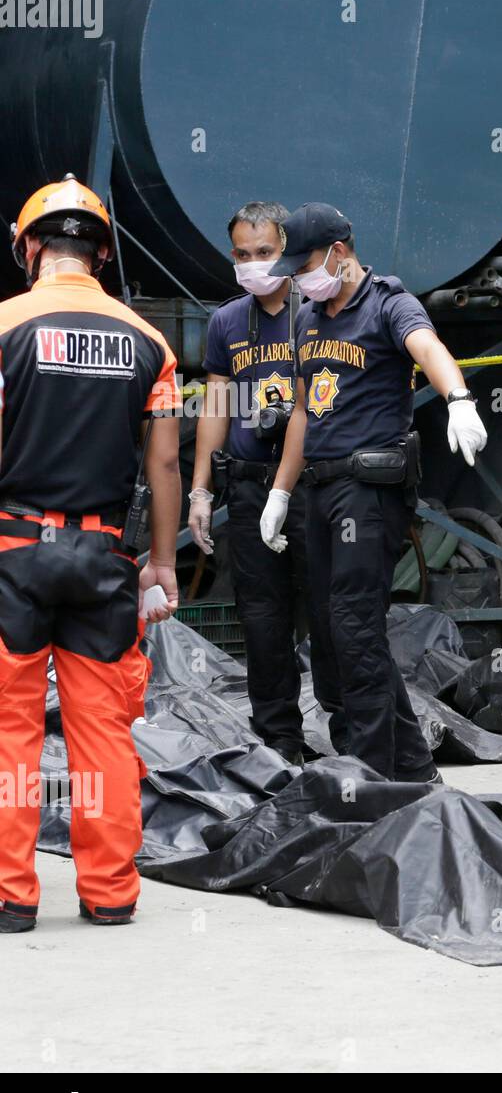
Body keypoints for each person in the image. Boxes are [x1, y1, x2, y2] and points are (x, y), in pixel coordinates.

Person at [0, 176, 181, 933]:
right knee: (101, 727)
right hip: (105, 556)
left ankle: (12, 895)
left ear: (32, 248)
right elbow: (165, 465)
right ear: (101, 256)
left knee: (9, 728)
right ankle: (109, 891)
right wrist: (163, 564)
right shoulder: (149, 342)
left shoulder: (4, 325)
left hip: (14, 548)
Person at [266, 203, 487, 782]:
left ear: (340, 252)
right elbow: (300, 411)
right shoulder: (308, 318)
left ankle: (369, 774)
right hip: (317, 490)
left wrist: (458, 399)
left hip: (368, 492)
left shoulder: (389, 303)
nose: (298, 279)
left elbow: (428, 347)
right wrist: (280, 492)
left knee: (355, 627)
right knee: (333, 633)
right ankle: (411, 766)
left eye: (306, 264)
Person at [189, 202, 310, 763]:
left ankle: (350, 724)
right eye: (243, 254)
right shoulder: (227, 322)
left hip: (316, 485)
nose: (254, 264)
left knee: (333, 609)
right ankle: (279, 739)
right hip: (248, 484)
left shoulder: (319, 310)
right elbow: (216, 403)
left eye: (265, 253)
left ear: (286, 249)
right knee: (262, 614)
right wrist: (200, 491)